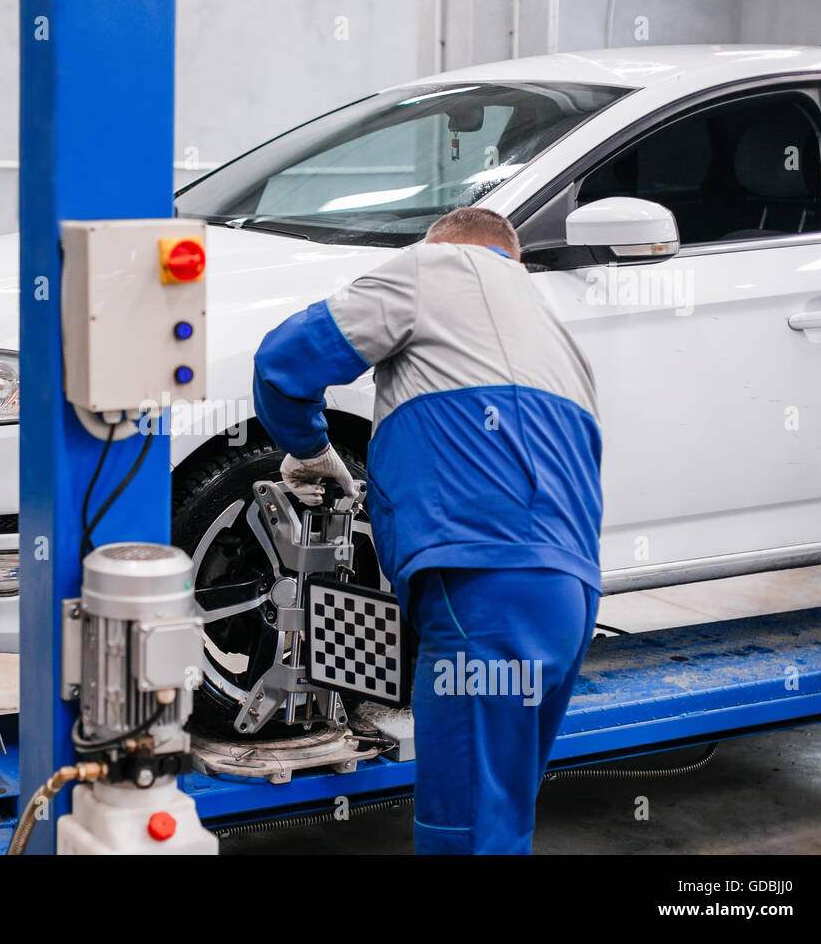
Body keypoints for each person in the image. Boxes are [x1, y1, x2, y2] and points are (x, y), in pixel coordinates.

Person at [251, 207, 603, 854]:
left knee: (461, 832)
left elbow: (282, 363)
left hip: (485, 594)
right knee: (498, 818)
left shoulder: (436, 264)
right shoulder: (559, 336)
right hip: (569, 604)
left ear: (446, 244)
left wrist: (307, 447)